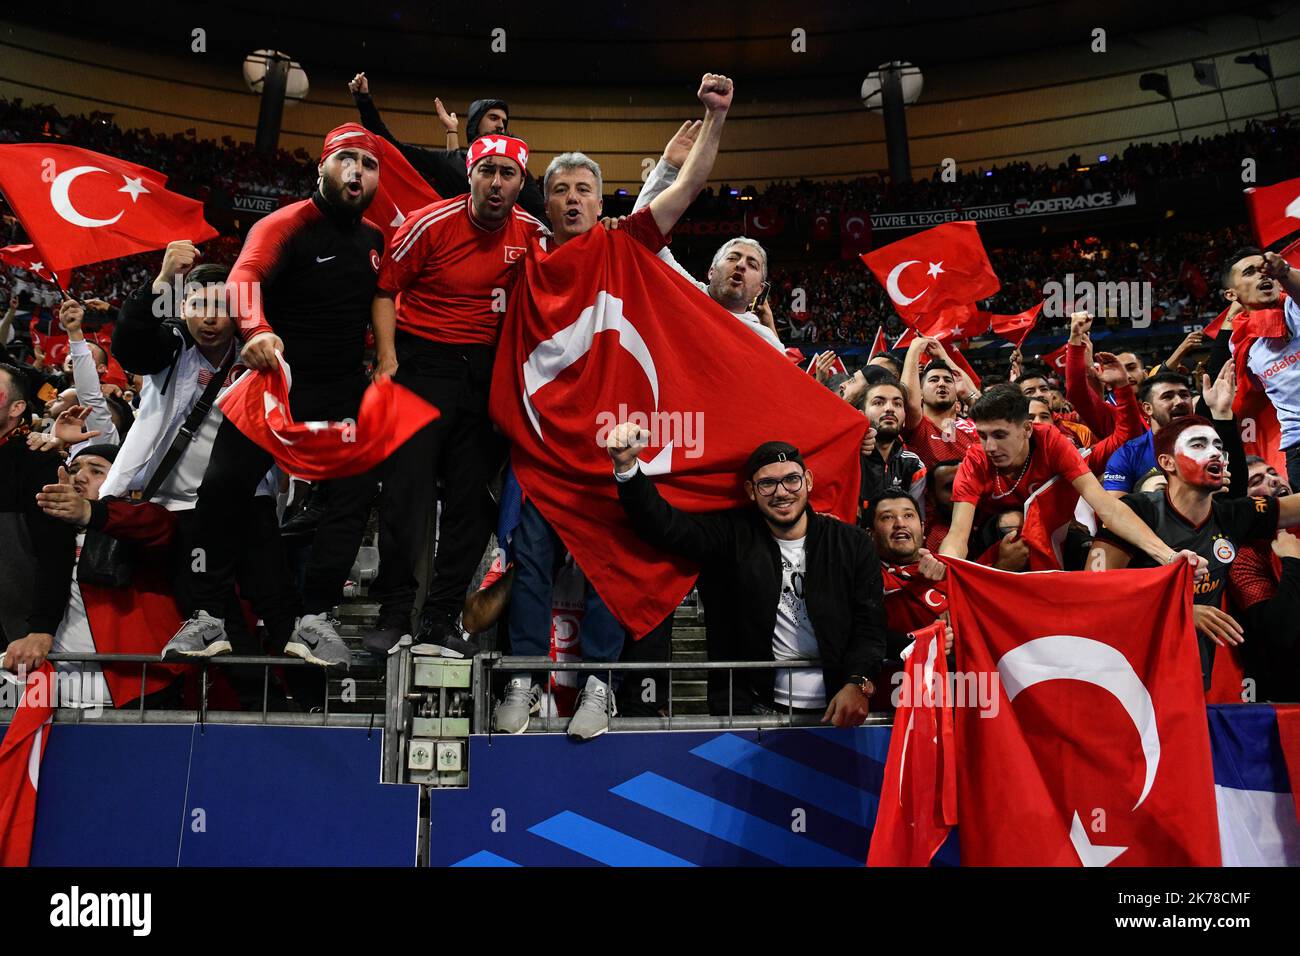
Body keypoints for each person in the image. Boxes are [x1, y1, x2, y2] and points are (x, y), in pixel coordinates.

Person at [498, 72, 737, 737]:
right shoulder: (524, 258)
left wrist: (717, 118)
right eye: (559, 190)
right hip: (545, 443)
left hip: (611, 448)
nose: (572, 199)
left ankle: (601, 686)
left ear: (601, 202)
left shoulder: (624, 242)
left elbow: (686, 190)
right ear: (544, 204)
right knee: (532, 568)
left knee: (608, 568)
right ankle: (519, 680)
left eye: (584, 190)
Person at [162, 124, 388, 668]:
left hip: (343, 389)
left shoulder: (376, 240)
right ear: (323, 168)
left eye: (368, 163)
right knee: (220, 488)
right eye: (346, 160)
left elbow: (387, 297)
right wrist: (256, 330)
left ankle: (315, 618)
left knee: (352, 500)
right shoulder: (284, 223)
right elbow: (244, 276)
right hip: (277, 381)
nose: (357, 171)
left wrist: (387, 359)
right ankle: (208, 617)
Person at [363, 134, 548, 658]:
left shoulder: (533, 234)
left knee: (471, 503)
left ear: (520, 182)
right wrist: (388, 360)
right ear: (469, 174)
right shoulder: (429, 223)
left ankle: (440, 618)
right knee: (405, 494)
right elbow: (383, 292)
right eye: (486, 171)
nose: (495, 183)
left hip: (489, 374)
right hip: (423, 363)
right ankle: (395, 613)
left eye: (507, 174)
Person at [607, 426, 885, 726]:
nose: (781, 492)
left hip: (838, 705)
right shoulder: (733, 535)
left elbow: (869, 626)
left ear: (808, 481)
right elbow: (665, 527)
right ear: (751, 491)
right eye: (767, 484)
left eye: (791, 480)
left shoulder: (852, 543)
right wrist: (627, 470)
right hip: (752, 709)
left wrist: (858, 682)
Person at [105, 244, 299, 667]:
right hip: (182, 509)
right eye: (198, 305)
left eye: (221, 307)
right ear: (182, 307)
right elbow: (131, 347)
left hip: (251, 501)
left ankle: (304, 702)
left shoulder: (258, 355)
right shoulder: (170, 349)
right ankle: (247, 705)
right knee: (211, 618)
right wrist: (160, 282)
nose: (209, 319)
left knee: (275, 602)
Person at [1092, 414, 1300, 697]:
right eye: (1198, 445)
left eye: (1217, 445)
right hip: (1131, 679)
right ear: (1167, 463)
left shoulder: (1233, 515)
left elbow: (1294, 507)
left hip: (1192, 679)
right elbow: (1095, 594)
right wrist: (1182, 613)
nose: (1215, 452)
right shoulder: (1137, 512)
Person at [938, 384, 1208, 575]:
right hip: (996, 545)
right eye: (983, 436)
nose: (989, 447)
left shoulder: (1052, 443)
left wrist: (1168, 556)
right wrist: (946, 569)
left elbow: (1108, 507)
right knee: (1011, 525)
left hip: (1057, 533)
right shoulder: (975, 459)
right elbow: (957, 535)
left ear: (1027, 429)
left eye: (999, 435)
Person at [634, 122, 782, 351]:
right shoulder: (687, 292)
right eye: (733, 257)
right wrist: (668, 168)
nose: (741, 265)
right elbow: (642, 234)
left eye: (752, 264)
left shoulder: (766, 344)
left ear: (759, 290)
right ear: (711, 271)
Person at [347, 71, 546, 221]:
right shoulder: (451, 162)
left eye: (504, 121)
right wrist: (364, 100)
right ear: (476, 123)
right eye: (493, 118)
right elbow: (392, 147)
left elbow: (540, 215)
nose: (501, 125)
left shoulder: (517, 169)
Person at [0, 361, 76, 658]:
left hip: (17, 640)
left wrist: (42, 626)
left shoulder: (39, 460)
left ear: (16, 407)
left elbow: (55, 550)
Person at [1220, 248, 1300, 483]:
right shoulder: (1241, 344)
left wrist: (1284, 271)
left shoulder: (1294, 307)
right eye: (1250, 272)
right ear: (1232, 295)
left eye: (1265, 269)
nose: (1262, 275)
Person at [1101, 372, 1196, 495]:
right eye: (1167, 397)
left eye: (1184, 395)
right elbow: (1114, 508)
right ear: (1147, 409)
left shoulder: (1212, 445)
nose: (1179, 401)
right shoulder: (1127, 455)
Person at [859, 378, 926, 526]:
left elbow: (915, 523)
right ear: (861, 415)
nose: (890, 408)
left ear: (904, 418)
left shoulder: (913, 465)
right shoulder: (848, 459)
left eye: (897, 404)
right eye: (878, 402)